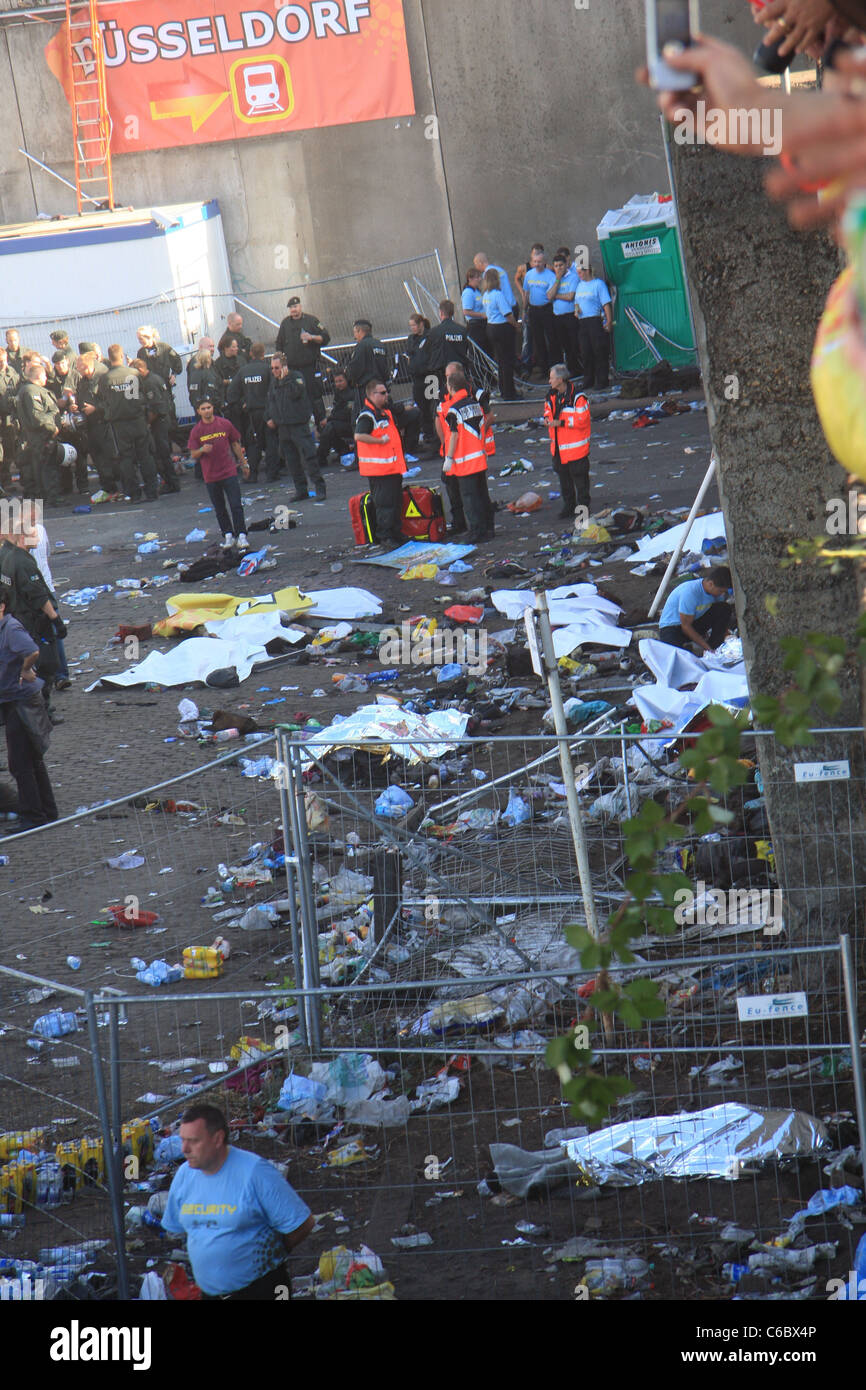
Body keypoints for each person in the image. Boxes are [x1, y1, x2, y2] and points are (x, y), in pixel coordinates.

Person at [162, 1103, 313, 1301]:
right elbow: (176, 1227)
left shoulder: (255, 1172)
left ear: (217, 1139)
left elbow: (303, 1223)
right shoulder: (183, 1175)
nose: (184, 1149)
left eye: (193, 1141)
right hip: (210, 1294)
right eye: (182, 1140)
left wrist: (275, 1251)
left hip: (261, 1290)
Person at [0, 582, 58, 833]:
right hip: (13, 700)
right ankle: (46, 811)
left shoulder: (10, 628)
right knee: (31, 758)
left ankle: (34, 816)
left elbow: (32, 651)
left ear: (1, 607)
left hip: (24, 701)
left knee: (21, 762)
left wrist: (25, 669)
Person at [97, 345, 158, 503]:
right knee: (145, 455)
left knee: (126, 459)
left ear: (109, 357)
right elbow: (143, 394)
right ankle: (152, 491)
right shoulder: (134, 373)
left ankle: (134, 494)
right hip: (137, 419)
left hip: (119, 424)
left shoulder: (105, 378)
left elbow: (103, 399)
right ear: (122, 356)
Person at [187, 398, 249, 550]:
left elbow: (235, 444)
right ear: (198, 411)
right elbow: (193, 454)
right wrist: (202, 450)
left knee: (236, 505)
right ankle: (228, 535)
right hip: (211, 475)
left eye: (209, 407)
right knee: (220, 508)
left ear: (213, 408)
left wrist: (244, 464)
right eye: (203, 408)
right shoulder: (197, 430)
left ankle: (241, 535)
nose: (207, 410)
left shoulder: (224, 424)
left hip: (229, 471)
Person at [442, 366, 495, 543]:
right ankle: (488, 529)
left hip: (464, 462)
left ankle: (476, 531)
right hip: (479, 458)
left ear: (451, 388)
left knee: (470, 499)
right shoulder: (476, 405)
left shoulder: (453, 410)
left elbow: (454, 436)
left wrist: (448, 459)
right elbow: (484, 423)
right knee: (482, 495)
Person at [354, 378, 407, 548]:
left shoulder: (383, 412)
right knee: (385, 505)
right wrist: (379, 441)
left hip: (391, 467)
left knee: (395, 502)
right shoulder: (367, 415)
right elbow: (359, 435)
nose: (386, 396)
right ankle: (385, 536)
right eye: (382, 393)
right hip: (379, 470)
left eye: (386, 392)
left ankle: (395, 532)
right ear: (371, 395)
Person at [266, 353, 324, 499]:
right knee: (291, 460)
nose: (274, 371)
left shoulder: (296, 377)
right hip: (283, 426)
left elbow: (295, 393)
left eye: (277, 368)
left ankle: (319, 487)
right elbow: (271, 401)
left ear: (284, 367)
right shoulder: (274, 382)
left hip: (298, 424)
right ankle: (301, 489)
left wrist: (285, 379)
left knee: (309, 456)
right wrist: (269, 417)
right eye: (272, 368)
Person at [275, 297, 331, 427]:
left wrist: (311, 337)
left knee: (314, 396)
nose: (294, 310)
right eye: (291, 308)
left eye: (296, 307)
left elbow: (326, 337)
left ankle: (322, 427)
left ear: (300, 307)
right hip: (292, 368)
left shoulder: (311, 320)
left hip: (309, 367)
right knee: (294, 396)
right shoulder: (285, 324)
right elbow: (279, 344)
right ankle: (300, 426)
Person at [544, 364, 591, 517]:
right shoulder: (551, 396)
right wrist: (547, 419)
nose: (549, 381)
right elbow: (547, 411)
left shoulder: (578, 397)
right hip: (558, 449)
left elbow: (582, 420)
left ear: (560, 379)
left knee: (581, 484)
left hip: (576, 450)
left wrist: (561, 423)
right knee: (565, 482)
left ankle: (582, 514)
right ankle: (569, 507)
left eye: (551, 378)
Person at [130, 358, 180, 493]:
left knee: (161, 454)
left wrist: (147, 423)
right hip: (163, 420)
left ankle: (171, 483)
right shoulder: (154, 378)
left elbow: (155, 408)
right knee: (161, 453)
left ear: (140, 370)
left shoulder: (150, 383)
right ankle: (170, 482)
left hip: (159, 422)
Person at [658, 568, 734, 652]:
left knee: (724, 608)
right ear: (710, 584)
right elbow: (686, 626)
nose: (722, 594)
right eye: (720, 591)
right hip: (673, 627)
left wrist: (725, 633)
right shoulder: (690, 593)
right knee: (676, 654)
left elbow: (720, 616)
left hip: (694, 620)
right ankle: (707, 649)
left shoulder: (716, 593)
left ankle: (715, 646)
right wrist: (707, 648)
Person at [16, 362, 60, 505]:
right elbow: (37, 417)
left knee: (43, 467)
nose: (46, 378)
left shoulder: (29, 390)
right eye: (45, 375)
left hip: (39, 436)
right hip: (41, 436)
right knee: (46, 467)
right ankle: (51, 498)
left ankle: (48, 496)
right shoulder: (32, 391)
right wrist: (52, 427)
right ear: (39, 376)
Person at [75, 352, 119, 495]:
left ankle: (122, 485)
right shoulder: (82, 382)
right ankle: (107, 487)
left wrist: (96, 408)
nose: (77, 370)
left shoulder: (103, 378)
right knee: (97, 458)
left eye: (79, 368)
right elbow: (80, 398)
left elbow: (111, 401)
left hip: (104, 423)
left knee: (112, 457)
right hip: (90, 426)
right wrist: (76, 406)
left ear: (87, 366)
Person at [227, 344, 270, 482]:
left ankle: (253, 475)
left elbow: (231, 393)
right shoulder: (267, 369)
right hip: (267, 411)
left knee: (253, 444)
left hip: (251, 413)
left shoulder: (243, 371)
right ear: (263, 354)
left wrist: (241, 404)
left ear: (251, 353)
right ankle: (273, 473)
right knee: (271, 442)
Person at [574, 264, 613, 390]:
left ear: (588, 271)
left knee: (599, 350)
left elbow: (606, 303)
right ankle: (588, 379)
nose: (579, 275)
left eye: (581, 272)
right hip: (583, 321)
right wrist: (576, 310)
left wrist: (609, 321)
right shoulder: (579, 285)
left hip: (595, 319)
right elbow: (577, 302)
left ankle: (602, 380)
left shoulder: (598, 284)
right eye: (578, 273)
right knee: (586, 351)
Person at [482, 269, 518, 401]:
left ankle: (503, 389)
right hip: (502, 328)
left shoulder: (486, 295)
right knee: (508, 361)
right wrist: (516, 325)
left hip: (491, 327)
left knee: (500, 361)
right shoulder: (498, 294)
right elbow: (507, 314)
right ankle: (510, 393)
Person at [522, 247, 557, 377]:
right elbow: (526, 293)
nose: (537, 264)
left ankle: (554, 369)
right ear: (531, 262)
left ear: (544, 262)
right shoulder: (529, 275)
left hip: (547, 310)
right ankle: (543, 369)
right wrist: (524, 311)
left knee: (551, 340)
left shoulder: (550, 275)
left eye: (539, 262)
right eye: (535, 261)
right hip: (533, 311)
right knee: (538, 341)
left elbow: (551, 295)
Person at [425, 300, 472, 395]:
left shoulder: (434, 332)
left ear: (441, 312)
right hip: (459, 370)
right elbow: (467, 348)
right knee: (462, 395)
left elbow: (428, 351)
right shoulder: (462, 330)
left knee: (438, 399)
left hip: (440, 372)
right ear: (452, 313)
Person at [548, 253, 581, 377]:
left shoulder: (573, 277)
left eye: (561, 265)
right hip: (557, 316)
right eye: (556, 266)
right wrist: (557, 279)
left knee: (573, 344)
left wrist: (556, 296)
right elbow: (549, 296)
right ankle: (566, 371)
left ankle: (576, 370)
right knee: (563, 344)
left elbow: (570, 296)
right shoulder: (553, 278)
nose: (558, 268)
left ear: (566, 265)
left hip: (570, 315)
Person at [345, 321, 389, 414]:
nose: (355, 337)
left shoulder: (362, 346)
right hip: (381, 387)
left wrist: (348, 376)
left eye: (355, 333)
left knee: (362, 417)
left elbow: (355, 369)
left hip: (366, 390)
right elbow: (386, 368)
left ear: (359, 331)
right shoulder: (380, 345)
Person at [404, 315, 435, 445]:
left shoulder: (430, 336)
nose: (412, 328)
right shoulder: (411, 339)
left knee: (432, 405)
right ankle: (428, 434)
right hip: (417, 378)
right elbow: (409, 354)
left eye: (414, 325)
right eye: (410, 326)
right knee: (421, 406)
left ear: (421, 324)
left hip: (430, 377)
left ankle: (435, 434)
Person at [316, 368, 355, 469]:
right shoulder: (338, 393)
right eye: (336, 381)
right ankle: (343, 450)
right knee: (327, 428)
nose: (338, 384)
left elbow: (346, 413)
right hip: (338, 422)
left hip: (351, 424)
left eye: (341, 381)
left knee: (330, 427)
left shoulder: (351, 394)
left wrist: (329, 419)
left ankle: (320, 458)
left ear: (346, 380)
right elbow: (336, 411)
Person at [0, 346, 20, 494]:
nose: (2, 364)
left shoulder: (12, 373)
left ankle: (6, 481)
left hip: (9, 418)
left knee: (9, 450)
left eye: (3, 361)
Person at [187, 348, 224, 416]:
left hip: (199, 410)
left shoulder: (193, 374)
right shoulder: (209, 374)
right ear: (208, 359)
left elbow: (192, 393)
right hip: (211, 410)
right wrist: (219, 403)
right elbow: (213, 391)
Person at [461, 268, 488, 353]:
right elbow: (466, 311)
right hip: (475, 326)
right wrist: (482, 315)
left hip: (482, 324)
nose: (480, 279)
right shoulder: (468, 292)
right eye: (477, 277)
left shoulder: (476, 291)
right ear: (470, 279)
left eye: (480, 277)